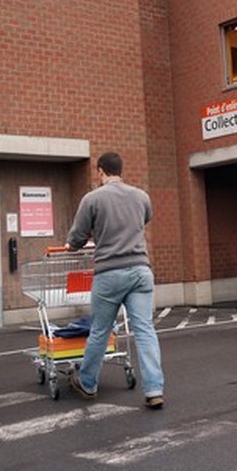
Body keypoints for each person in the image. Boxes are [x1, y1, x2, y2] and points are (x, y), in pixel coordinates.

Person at [66, 152, 165, 409]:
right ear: (120, 170)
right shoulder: (141, 196)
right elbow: (144, 219)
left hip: (109, 273)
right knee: (144, 330)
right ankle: (154, 390)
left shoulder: (92, 199)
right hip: (141, 271)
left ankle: (87, 383)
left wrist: (73, 244)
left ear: (100, 172)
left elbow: (77, 236)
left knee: (100, 330)